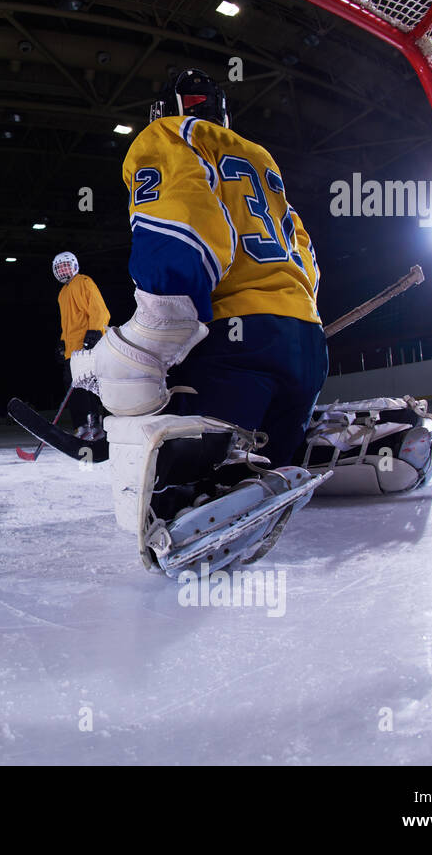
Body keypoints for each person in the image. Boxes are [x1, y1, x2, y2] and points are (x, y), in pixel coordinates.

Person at [72, 69, 327, 574]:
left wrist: (154, 328)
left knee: (180, 479)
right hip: (307, 340)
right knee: (267, 466)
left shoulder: (169, 134)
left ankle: (193, 497)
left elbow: (183, 222)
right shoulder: (262, 159)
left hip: (236, 346)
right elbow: (305, 254)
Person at [51, 251, 109, 439]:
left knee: (87, 386)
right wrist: (62, 342)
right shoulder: (63, 293)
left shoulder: (83, 282)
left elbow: (99, 309)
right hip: (72, 349)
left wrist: (95, 331)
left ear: (74, 266)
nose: (63, 270)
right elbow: (67, 323)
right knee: (73, 388)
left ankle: (94, 424)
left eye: (66, 266)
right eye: (59, 268)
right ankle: (81, 425)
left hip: (85, 347)